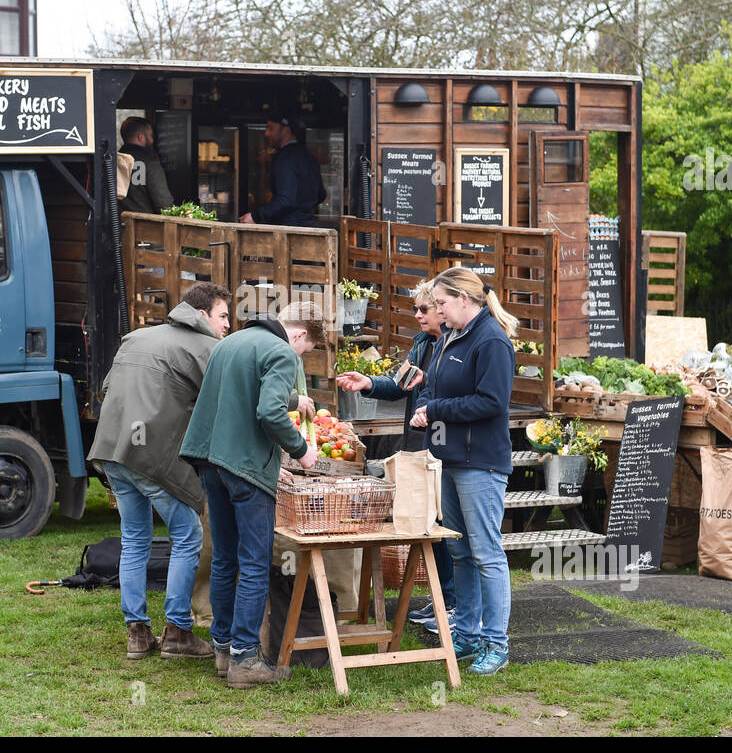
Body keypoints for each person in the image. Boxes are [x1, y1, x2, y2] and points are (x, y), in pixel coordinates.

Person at [180, 301, 325, 688]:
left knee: (226, 559)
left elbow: (240, 393)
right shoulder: (281, 351)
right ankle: (247, 660)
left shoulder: (233, 341)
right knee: (255, 562)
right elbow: (269, 413)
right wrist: (301, 451)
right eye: (305, 351)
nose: (300, 359)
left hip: (210, 460)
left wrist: (296, 400)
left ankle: (223, 650)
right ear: (297, 336)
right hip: (244, 466)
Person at [87, 282, 231, 660]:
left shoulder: (135, 337)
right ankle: (179, 632)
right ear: (202, 315)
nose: (228, 325)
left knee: (135, 540)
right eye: (223, 316)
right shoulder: (206, 347)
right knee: (188, 535)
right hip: (150, 456)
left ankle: (137, 634)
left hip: (112, 450)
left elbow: (107, 390)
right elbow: (235, 395)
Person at [410, 267, 517, 677]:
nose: (437, 310)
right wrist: (426, 404)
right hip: (449, 461)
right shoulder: (449, 339)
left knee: (487, 554)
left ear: (464, 300)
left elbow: (491, 402)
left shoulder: (491, 341)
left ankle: (496, 643)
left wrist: (435, 410)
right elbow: (436, 387)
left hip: (481, 463)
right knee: (460, 552)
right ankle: (468, 634)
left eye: (440, 303)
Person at [335, 279, 456, 632]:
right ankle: (442, 602)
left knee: (442, 524)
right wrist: (368, 382)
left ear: (443, 309)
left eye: (424, 309)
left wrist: (428, 386)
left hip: (444, 444)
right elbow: (400, 383)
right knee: (427, 524)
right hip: (418, 442)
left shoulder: (456, 344)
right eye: (416, 309)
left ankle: (453, 605)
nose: (417, 315)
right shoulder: (422, 344)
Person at [239, 112, 325, 227]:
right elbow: (321, 195)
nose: (266, 133)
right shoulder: (308, 156)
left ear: (286, 130)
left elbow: (285, 201)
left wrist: (255, 216)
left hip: (289, 232)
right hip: (308, 227)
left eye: (271, 129)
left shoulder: (285, 158)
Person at [118, 116, 174, 215]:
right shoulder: (150, 163)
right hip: (145, 227)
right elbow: (164, 204)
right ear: (141, 137)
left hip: (114, 226)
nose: (153, 140)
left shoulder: (111, 162)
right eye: (151, 136)